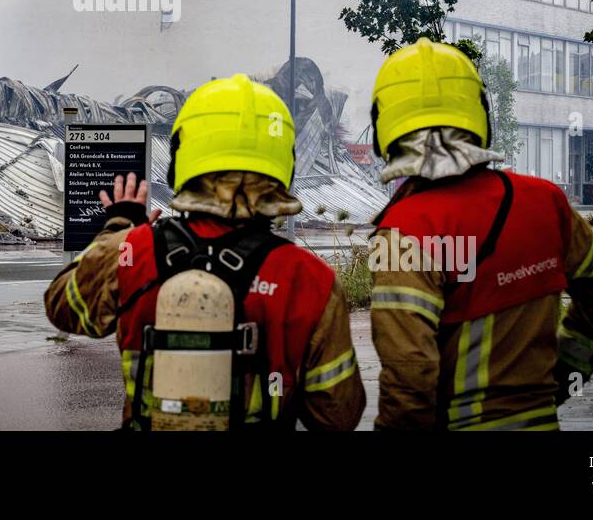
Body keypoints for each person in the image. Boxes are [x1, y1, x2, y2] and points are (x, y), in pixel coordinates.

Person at [44, 73, 365, 430]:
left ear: (181, 156)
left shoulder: (135, 250)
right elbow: (338, 415)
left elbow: (63, 309)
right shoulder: (309, 279)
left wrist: (119, 229)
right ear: (283, 163)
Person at [367, 38, 593, 431]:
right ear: (481, 114)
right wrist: (562, 375)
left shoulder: (402, 233)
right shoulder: (545, 202)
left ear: (382, 128)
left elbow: (409, 376)